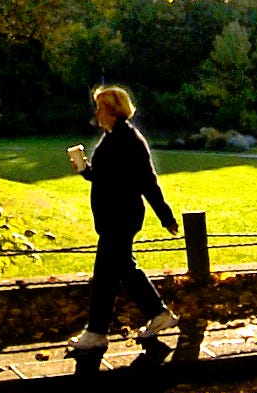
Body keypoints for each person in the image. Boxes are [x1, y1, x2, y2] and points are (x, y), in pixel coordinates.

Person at [66, 85, 180, 351]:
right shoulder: (113, 137)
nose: (96, 112)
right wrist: (85, 170)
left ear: (113, 110)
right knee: (124, 270)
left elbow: (147, 181)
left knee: (105, 274)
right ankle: (158, 315)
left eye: (101, 107)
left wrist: (166, 217)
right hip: (113, 217)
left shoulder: (128, 140)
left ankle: (96, 332)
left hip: (122, 217)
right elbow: (108, 178)